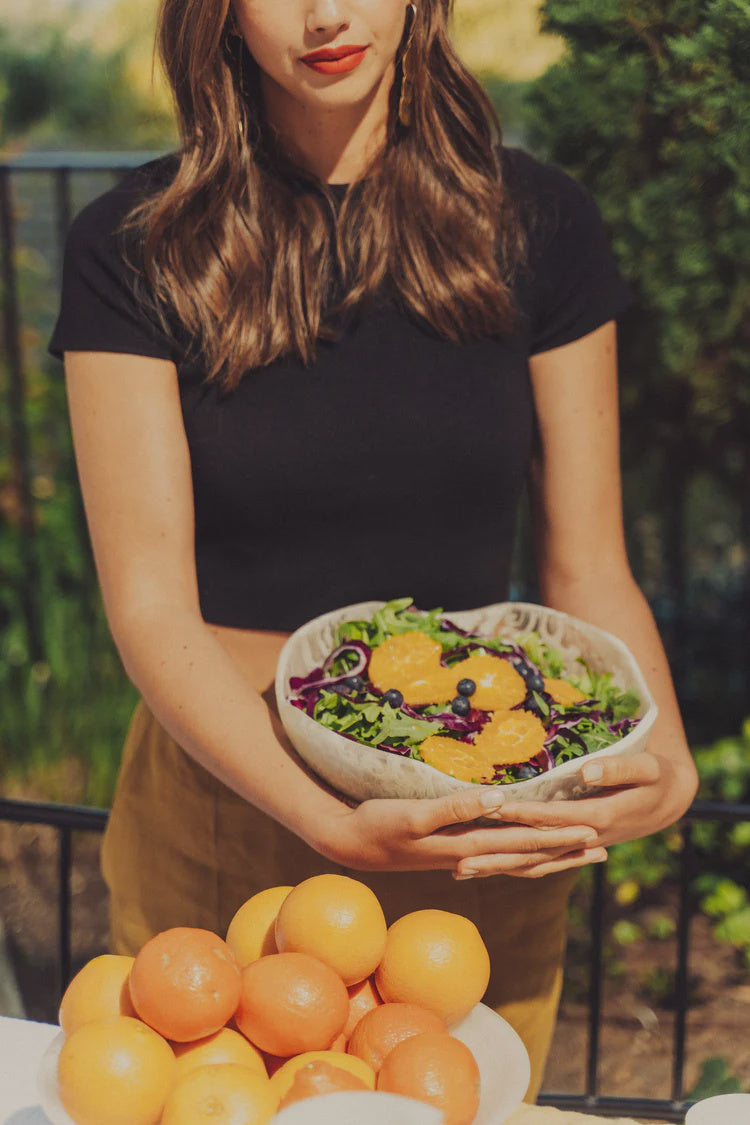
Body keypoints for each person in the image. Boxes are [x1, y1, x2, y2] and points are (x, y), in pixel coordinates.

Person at [49, 0, 698, 1102]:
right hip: (227, 801)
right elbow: (150, 606)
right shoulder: (133, 245)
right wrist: (330, 821)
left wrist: (668, 762)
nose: (328, 14)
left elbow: (586, 571)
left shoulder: (541, 223)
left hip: (475, 830)